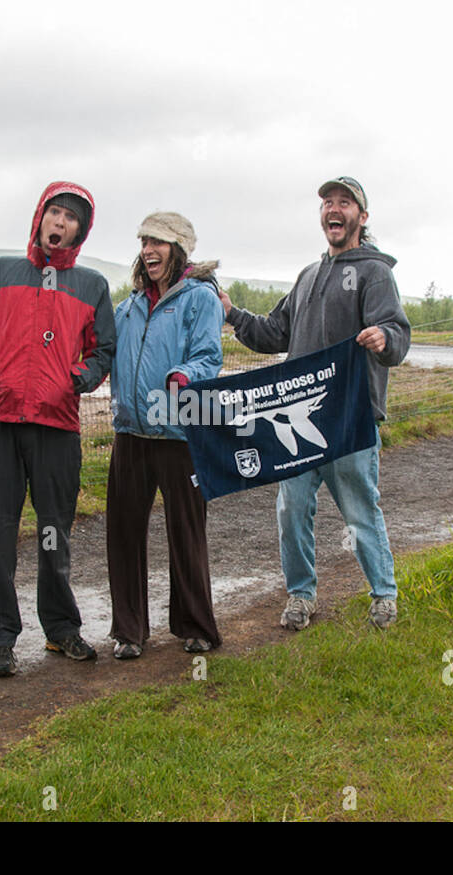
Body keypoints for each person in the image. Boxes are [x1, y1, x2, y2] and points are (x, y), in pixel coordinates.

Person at [220, 176, 411, 631]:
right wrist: (232, 313)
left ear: (361, 218)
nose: (334, 209)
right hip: (296, 421)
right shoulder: (307, 276)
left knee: (361, 511)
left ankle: (384, 596)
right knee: (290, 511)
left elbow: (399, 335)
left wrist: (384, 337)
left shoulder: (375, 273)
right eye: (328, 202)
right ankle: (301, 595)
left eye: (345, 202)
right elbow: (274, 333)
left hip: (349, 422)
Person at [0, 181, 115, 677]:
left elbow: (103, 349)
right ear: (40, 217)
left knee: (53, 532)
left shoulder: (91, 286)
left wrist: (78, 380)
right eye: (55, 213)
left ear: (80, 232)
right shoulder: (1, 273)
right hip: (1, 423)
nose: (60, 223)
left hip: (58, 426)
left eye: (72, 219)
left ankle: (61, 629)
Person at [106, 213, 225, 659]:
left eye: (157, 242)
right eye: (143, 241)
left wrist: (183, 374)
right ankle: (129, 632)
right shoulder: (131, 303)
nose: (148, 250)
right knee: (123, 533)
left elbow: (208, 356)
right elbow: (107, 351)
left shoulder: (199, 298)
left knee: (186, 532)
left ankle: (195, 627)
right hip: (131, 433)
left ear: (178, 249)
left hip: (180, 433)